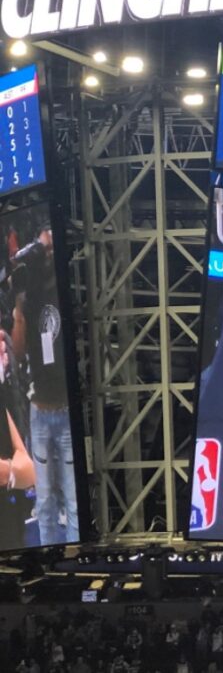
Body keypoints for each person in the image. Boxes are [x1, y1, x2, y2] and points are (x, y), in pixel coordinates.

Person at [11, 223, 78, 544]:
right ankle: (50, 555)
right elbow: (20, 347)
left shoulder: (69, 285)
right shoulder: (30, 289)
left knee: (73, 498)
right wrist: (19, 316)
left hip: (65, 408)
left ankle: (75, 556)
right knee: (45, 499)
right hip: (40, 408)